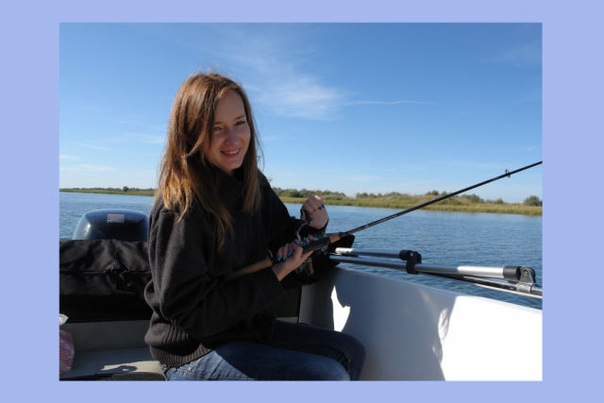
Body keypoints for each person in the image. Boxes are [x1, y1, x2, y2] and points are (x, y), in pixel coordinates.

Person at [143, 72, 365, 380]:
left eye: (240, 123)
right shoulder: (180, 206)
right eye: (216, 128)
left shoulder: (252, 185)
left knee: (349, 352)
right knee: (326, 376)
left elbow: (286, 237)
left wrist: (315, 229)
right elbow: (191, 314)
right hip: (193, 351)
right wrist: (275, 274)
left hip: (247, 330)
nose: (234, 139)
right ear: (191, 134)